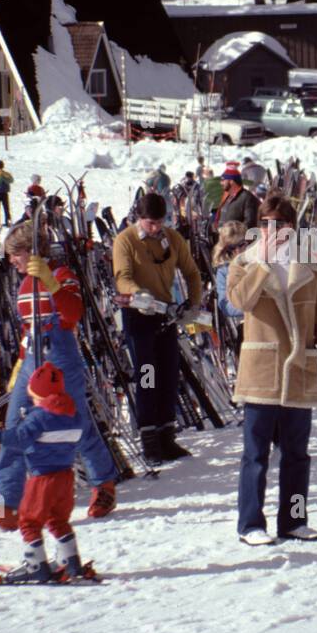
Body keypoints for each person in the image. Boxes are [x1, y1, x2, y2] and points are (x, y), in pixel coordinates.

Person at [0, 219, 118, 528]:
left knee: (75, 423)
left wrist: (51, 281)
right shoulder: (24, 285)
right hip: (31, 358)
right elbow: (28, 328)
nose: (12, 261)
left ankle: (103, 483)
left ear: (31, 252)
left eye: (16, 255)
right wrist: (20, 364)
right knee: (14, 426)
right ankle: (6, 504)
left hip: (61, 357)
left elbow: (73, 313)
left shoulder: (62, 275)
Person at [227, 194, 317, 545]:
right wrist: (262, 264)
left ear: (292, 226)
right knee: (255, 455)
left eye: (279, 223)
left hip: (299, 371)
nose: (271, 230)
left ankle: (294, 521)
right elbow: (238, 303)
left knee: (297, 455)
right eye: (265, 223)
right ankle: (251, 525)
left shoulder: (310, 266)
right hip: (260, 371)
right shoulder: (243, 262)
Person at [112, 192, 204, 465]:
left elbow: (192, 272)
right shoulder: (125, 241)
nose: (155, 228)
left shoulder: (172, 238)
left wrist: (193, 304)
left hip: (166, 315)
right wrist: (138, 293)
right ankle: (149, 439)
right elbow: (123, 277)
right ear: (139, 219)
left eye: (160, 222)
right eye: (150, 223)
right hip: (139, 315)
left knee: (168, 374)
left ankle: (167, 436)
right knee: (147, 376)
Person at [0, 362, 92, 583]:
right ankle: (70, 560)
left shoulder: (39, 417)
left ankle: (35, 564)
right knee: (58, 519)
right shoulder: (74, 415)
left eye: (34, 397)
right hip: (66, 477)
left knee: (29, 520)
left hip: (42, 477)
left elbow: (19, 438)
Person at [212, 220, 248, 323]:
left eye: (241, 245)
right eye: (232, 248)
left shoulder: (258, 259)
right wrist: (249, 308)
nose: (237, 251)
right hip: (245, 319)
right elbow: (225, 305)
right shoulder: (224, 270)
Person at [217, 164, 260, 228]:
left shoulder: (247, 198)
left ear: (231, 181)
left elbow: (250, 222)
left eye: (223, 180)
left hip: (236, 237)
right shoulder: (226, 197)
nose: (221, 183)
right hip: (223, 237)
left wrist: (233, 233)